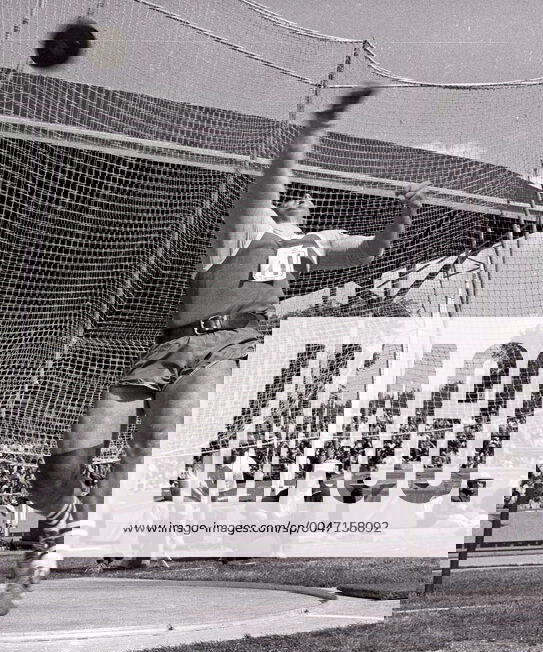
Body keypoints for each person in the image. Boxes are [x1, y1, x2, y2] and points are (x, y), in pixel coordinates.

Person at [8, 85, 429, 598]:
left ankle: (75, 539)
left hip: (229, 345)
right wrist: (317, 127)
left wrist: (399, 219)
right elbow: (276, 175)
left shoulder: (306, 249)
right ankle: (54, 523)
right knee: (77, 444)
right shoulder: (253, 227)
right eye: (300, 193)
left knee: (152, 445)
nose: (305, 197)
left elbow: (366, 252)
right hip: (172, 344)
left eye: (311, 197)